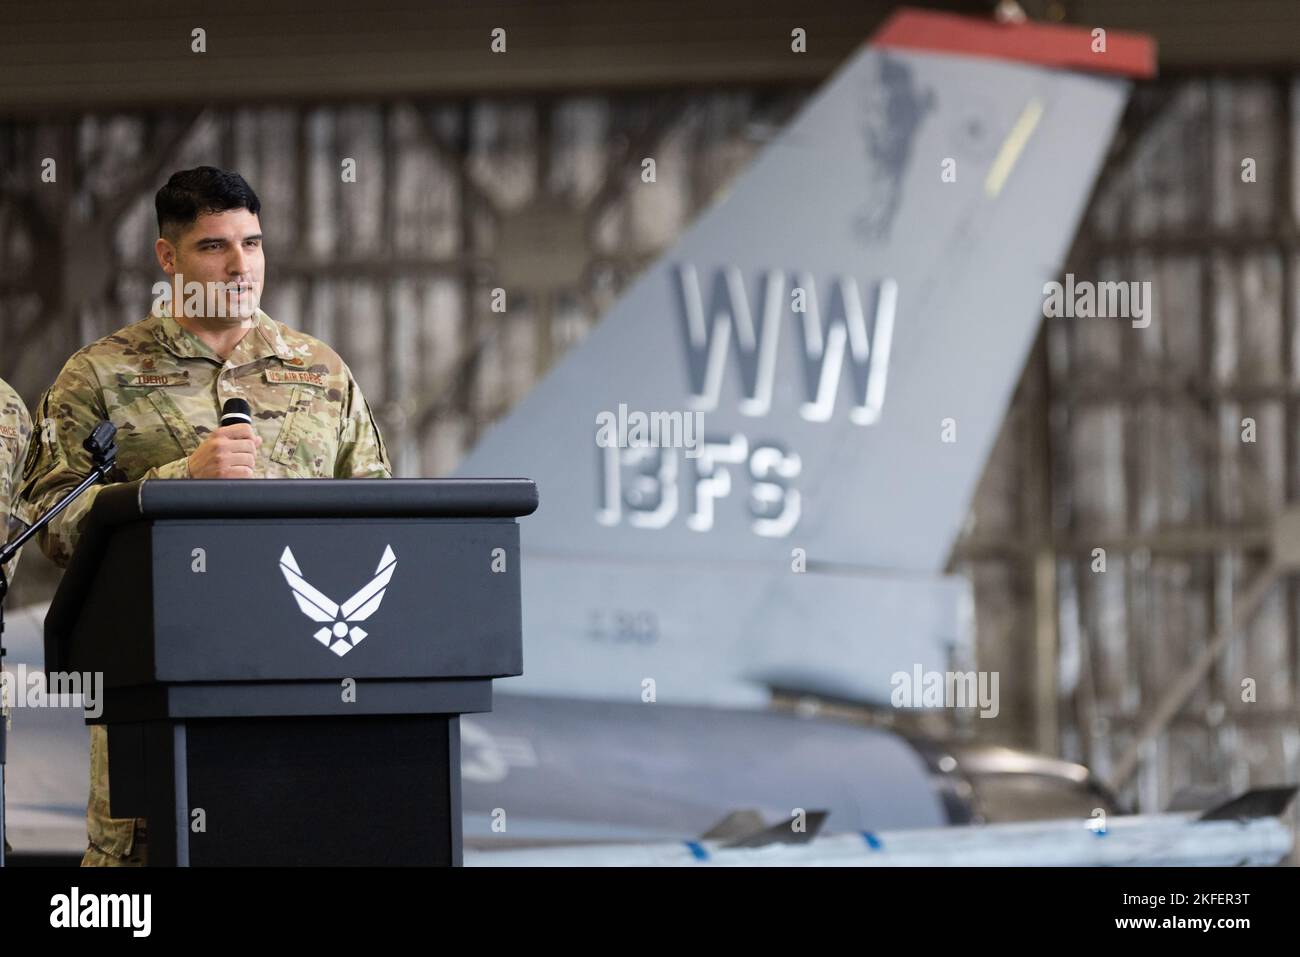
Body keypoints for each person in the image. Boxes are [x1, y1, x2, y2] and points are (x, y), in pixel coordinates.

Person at [18, 166, 391, 866]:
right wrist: (179, 477)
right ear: (168, 258)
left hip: (300, 690)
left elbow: (377, 521)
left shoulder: (321, 373)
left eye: (252, 244)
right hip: (156, 693)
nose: (240, 265)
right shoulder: (101, 374)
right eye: (215, 246)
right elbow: (49, 519)